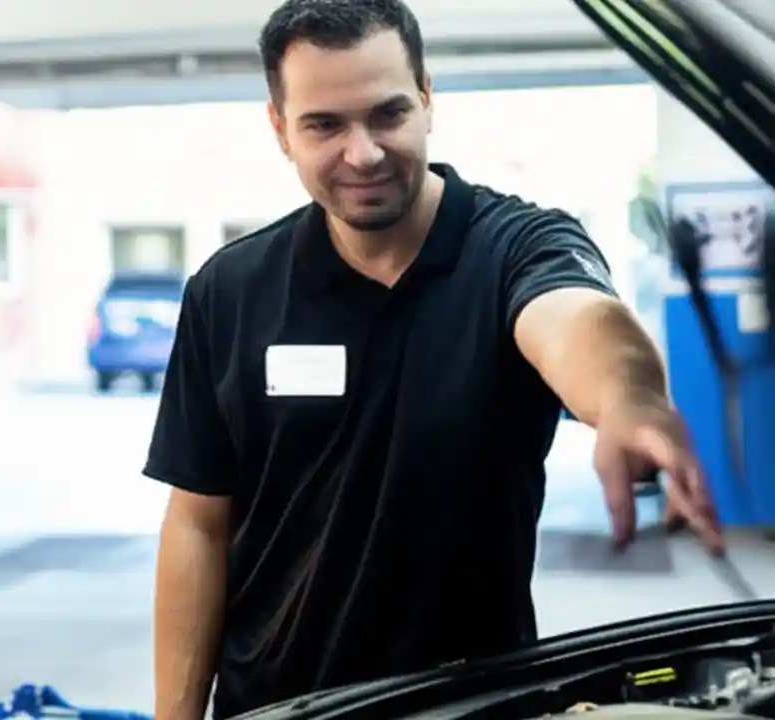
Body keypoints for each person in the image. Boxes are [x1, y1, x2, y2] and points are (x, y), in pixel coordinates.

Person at [143, 0, 723, 718]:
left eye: (387, 114)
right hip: (276, 707)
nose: (363, 152)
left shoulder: (513, 247)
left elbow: (579, 319)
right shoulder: (229, 291)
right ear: (279, 129)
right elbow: (199, 524)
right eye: (325, 124)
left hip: (470, 707)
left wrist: (630, 396)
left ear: (426, 100)